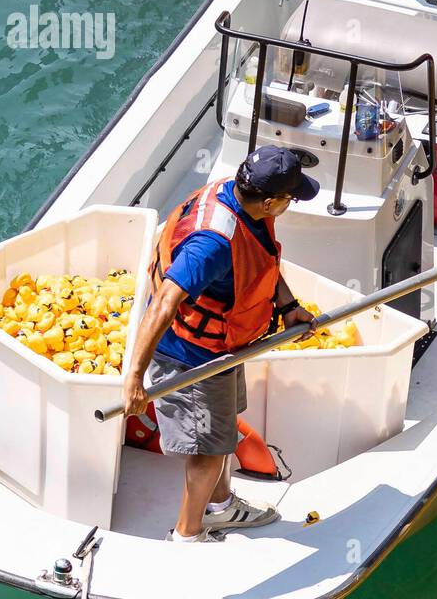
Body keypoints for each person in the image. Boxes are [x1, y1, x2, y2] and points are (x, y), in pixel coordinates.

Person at [121, 146, 319, 542]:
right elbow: (163, 303)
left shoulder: (242, 200)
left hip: (224, 347)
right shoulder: (212, 243)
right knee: (208, 450)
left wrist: (289, 306)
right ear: (269, 201)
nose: (290, 205)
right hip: (190, 360)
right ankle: (187, 536)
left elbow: (262, 263)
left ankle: (222, 506)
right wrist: (135, 379)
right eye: (290, 199)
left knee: (221, 435)